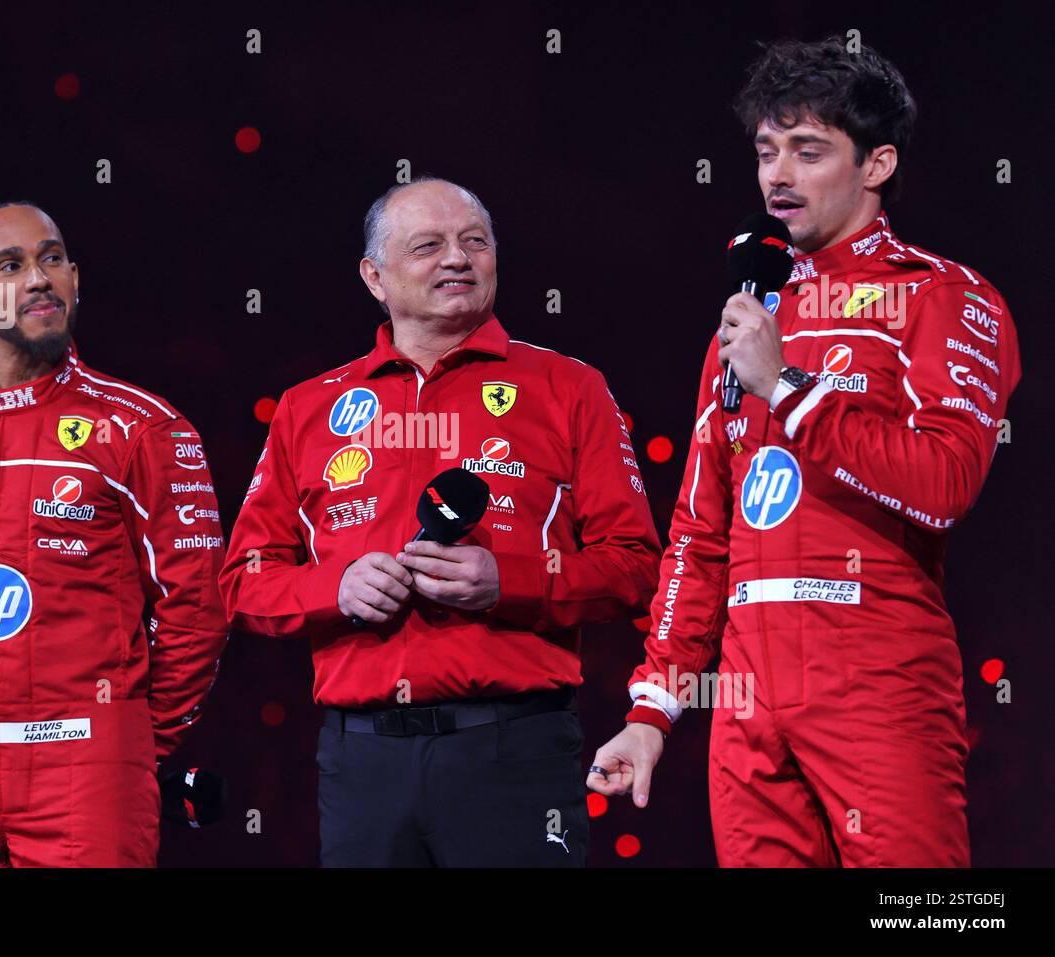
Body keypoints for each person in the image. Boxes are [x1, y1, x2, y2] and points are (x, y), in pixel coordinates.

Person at [587, 37, 1021, 866]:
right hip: (746, 689)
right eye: (765, 151)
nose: (776, 175)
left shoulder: (941, 295)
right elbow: (699, 532)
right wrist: (653, 711)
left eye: (808, 150)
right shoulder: (748, 320)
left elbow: (945, 483)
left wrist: (785, 385)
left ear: (877, 163)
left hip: (878, 671)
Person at [218, 177, 661, 866]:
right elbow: (243, 581)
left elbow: (635, 566)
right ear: (374, 276)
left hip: (515, 750)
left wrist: (508, 581)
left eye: (475, 242)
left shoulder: (569, 387)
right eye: (428, 245)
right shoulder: (308, 409)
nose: (457, 259)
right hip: (361, 761)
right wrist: (332, 589)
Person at [0, 201, 229, 866]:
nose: (39, 277)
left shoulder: (144, 428)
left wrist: (125, 739)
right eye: (11, 265)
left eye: (52, 259)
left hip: (92, 762)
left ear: (75, 277)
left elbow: (198, 606)